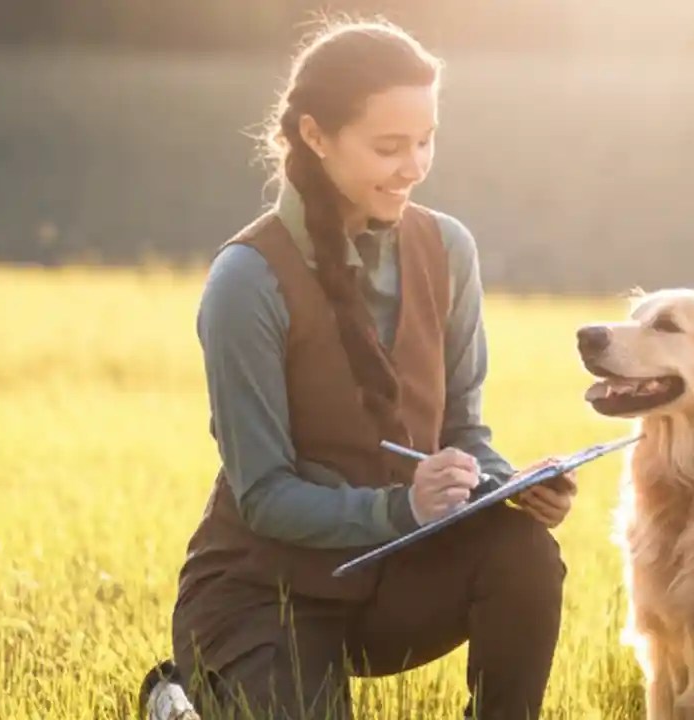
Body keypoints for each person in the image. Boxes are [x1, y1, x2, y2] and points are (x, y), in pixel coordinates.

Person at [161, 18, 577, 720]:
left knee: (523, 554)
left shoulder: (449, 249)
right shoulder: (246, 281)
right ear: (316, 136)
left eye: (426, 140)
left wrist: (512, 485)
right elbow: (262, 493)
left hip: (392, 578)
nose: (414, 165)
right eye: (390, 146)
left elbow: (462, 429)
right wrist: (400, 508)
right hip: (266, 592)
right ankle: (181, 704)